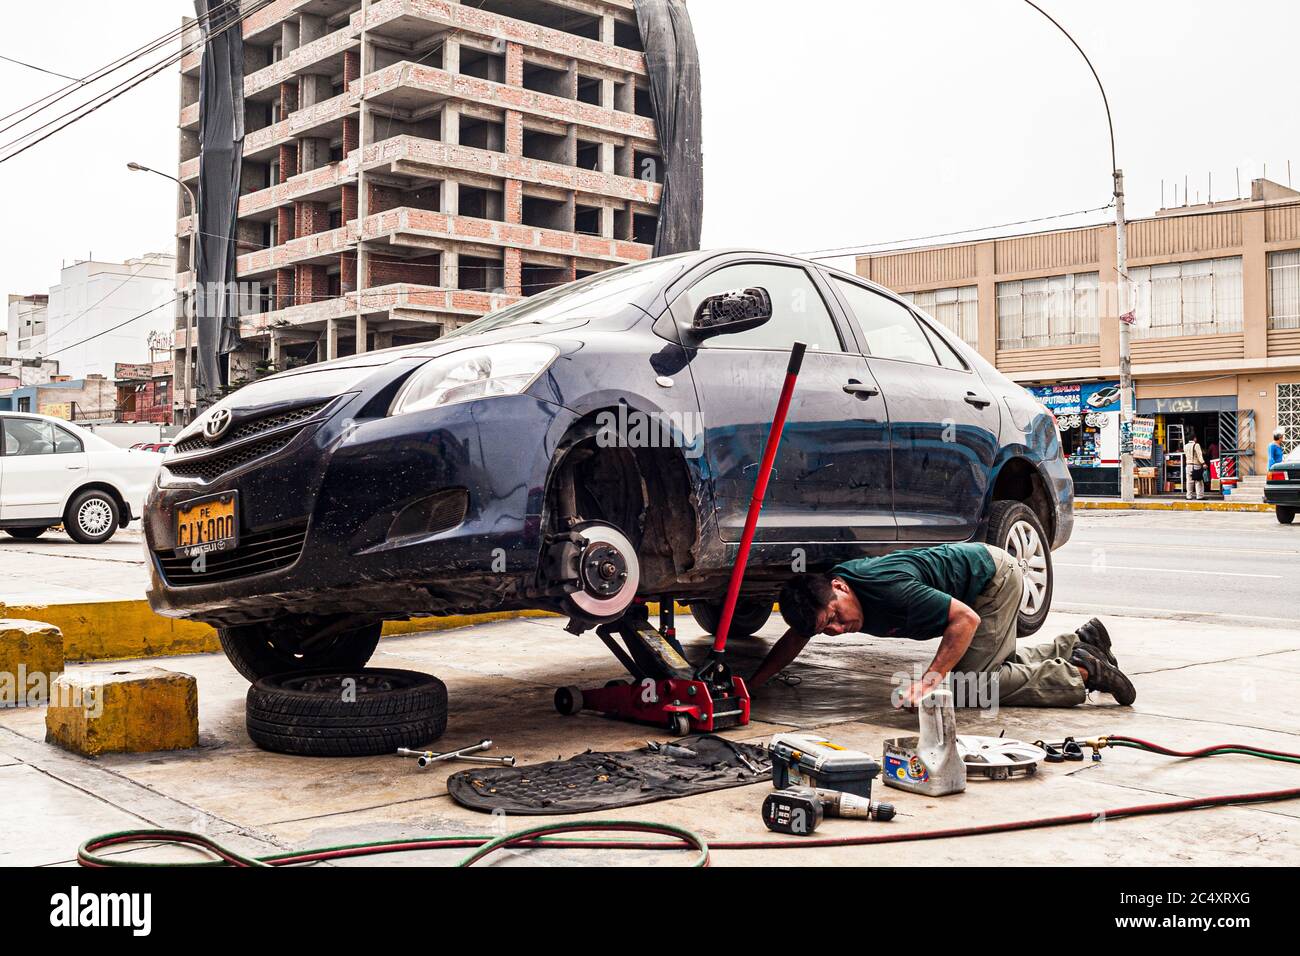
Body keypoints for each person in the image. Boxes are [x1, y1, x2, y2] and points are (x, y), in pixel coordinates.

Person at [749, 542, 1137, 708]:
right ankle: (1076, 644)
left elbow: (964, 620)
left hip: (993, 581)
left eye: (833, 618)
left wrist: (929, 681)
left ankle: (1084, 673)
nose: (834, 629)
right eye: (824, 630)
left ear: (839, 586)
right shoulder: (820, 596)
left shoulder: (887, 589)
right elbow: (794, 638)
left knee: (972, 686)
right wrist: (752, 685)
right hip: (978, 581)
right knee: (990, 661)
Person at [1184, 431, 1206, 500]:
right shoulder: (1196, 445)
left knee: (1189, 481)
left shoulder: (1185, 446)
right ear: (1194, 438)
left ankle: (1189, 496)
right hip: (1196, 465)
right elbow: (1200, 456)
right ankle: (1199, 496)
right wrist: (1203, 463)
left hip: (1188, 465)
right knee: (1198, 481)